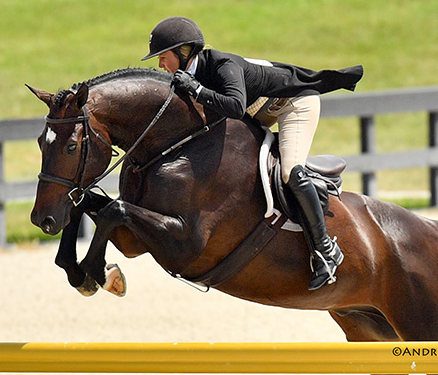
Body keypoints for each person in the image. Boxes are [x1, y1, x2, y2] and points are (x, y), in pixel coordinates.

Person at [141, 16, 364, 290]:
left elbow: (234, 107)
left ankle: (326, 251)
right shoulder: (189, 74)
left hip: (294, 103)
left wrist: (197, 90)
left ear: (184, 52)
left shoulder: (223, 65)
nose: (160, 65)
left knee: (289, 171)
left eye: (163, 57)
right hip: (259, 109)